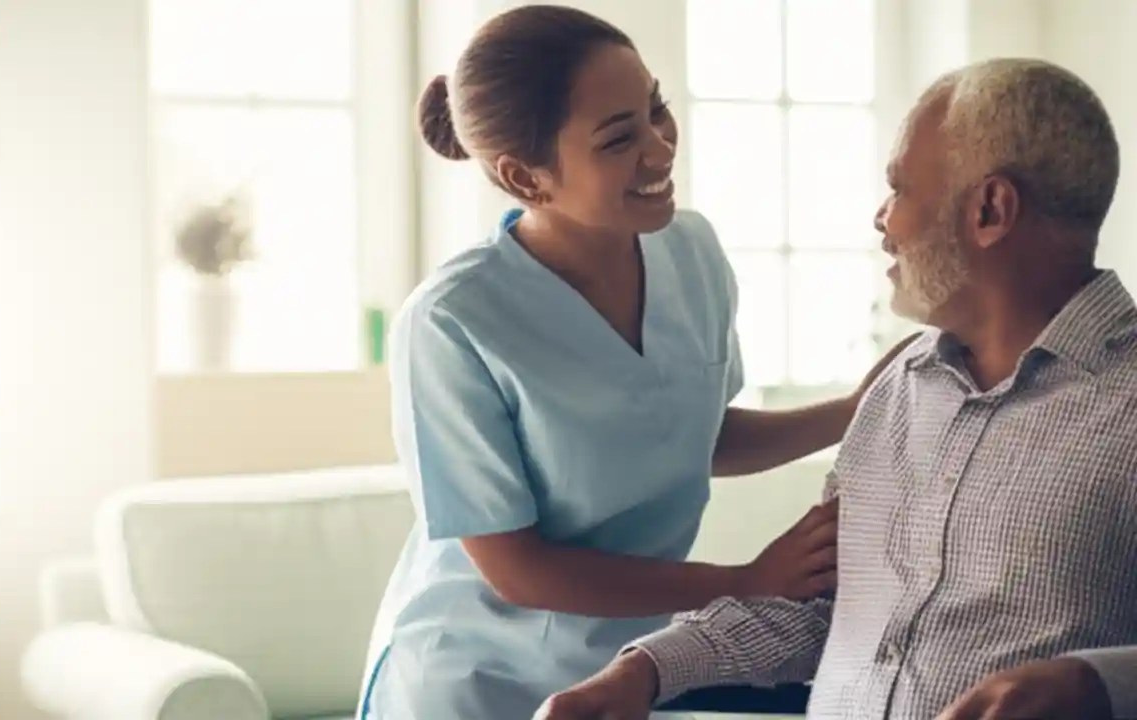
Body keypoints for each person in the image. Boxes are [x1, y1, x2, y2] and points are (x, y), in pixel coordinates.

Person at [537, 57, 1137, 720]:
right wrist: (644, 669)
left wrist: (1095, 683)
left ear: (990, 210)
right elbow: (823, 611)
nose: (883, 219)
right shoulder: (898, 390)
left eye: (899, 189)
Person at [356, 5, 913, 719]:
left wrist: (853, 409)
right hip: (473, 680)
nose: (660, 148)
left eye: (657, 110)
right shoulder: (452, 321)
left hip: (623, 673)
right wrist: (746, 580)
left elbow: (689, 435)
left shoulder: (692, 253)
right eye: (620, 138)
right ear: (526, 178)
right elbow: (518, 570)